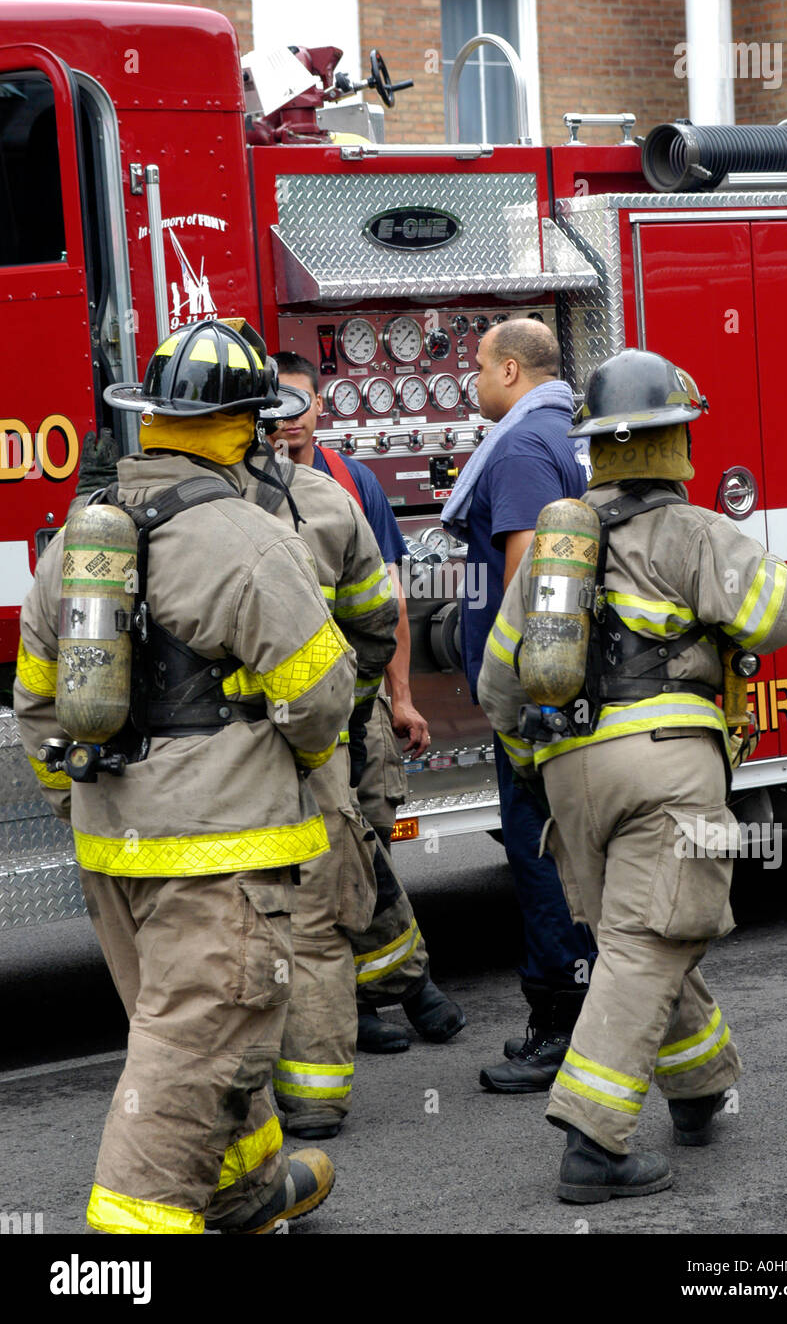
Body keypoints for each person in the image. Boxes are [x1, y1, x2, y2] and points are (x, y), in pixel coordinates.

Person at [14, 321, 356, 1233]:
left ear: (155, 420)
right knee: (188, 1055)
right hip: (221, 851)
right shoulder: (250, 539)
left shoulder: (80, 545)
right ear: (245, 428)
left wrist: (83, 802)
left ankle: (242, 1193)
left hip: (112, 855)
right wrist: (302, 767)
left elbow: (37, 708)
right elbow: (323, 698)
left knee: (200, 1037)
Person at [478, 347, 787, 1202]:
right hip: (668, 766)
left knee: (642, 937)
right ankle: (593, 1143)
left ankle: (701, 1092)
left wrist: (534, 766)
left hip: (567, 778)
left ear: (596, 445)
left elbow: (497, 686)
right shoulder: (691, 530)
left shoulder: (556, 550)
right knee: (650, 942)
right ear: (675, 442)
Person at [258, 352, 465, 1064]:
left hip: (360, 698)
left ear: (320, 410)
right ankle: (379, 997)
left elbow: (391, 598)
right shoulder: (242, 494)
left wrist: (399, 698)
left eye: (299, 405)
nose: (288, 420)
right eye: (274, 405)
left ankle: (385, 991)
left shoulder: (350, 485)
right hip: (285, 715)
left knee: (368, 838)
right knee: (323, 855)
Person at [441, 318, 596, 1092]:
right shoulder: (560, 432)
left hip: (535, 702)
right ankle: (573, 1015)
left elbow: (525, 584)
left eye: (477, 367)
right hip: (559, 696)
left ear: (509, 370)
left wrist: (516, 694)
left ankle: (561, 1026)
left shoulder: (523, 449)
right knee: (557, 851)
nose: (472, 381)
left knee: (539, 855)